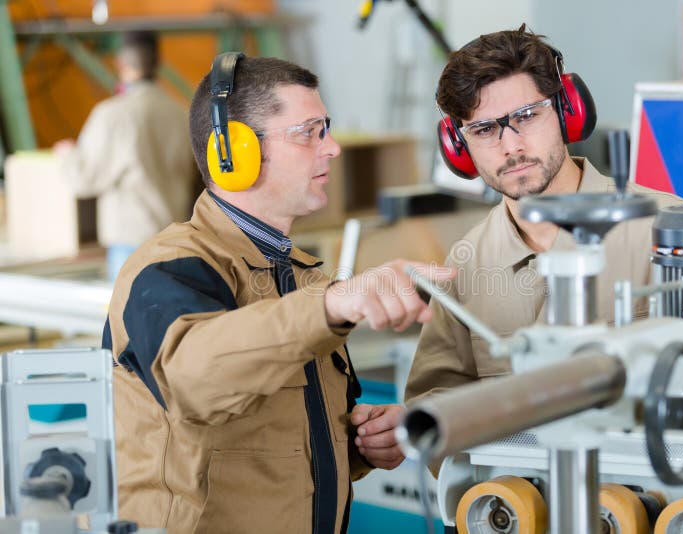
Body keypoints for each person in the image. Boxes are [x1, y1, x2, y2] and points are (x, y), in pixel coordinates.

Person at [102, 52, 454, 534]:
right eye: (310, 132)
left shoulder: (300, 273)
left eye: (326, 129)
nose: (332, 149)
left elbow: (270, 441)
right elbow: (193, 380)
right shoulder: (168, 268)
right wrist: (332, 304)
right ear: (233, 152)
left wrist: (361, 440)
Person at [404, 26, 683, 411]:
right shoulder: (465, 263)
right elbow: (437, 404)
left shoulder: (669, 230)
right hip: (517, 474)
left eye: (527, 115)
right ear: (459, 148)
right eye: (485, 130)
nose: (511, 145)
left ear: (567, 110)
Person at [54, 31, 196, 281]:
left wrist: (67, 155)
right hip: (175, 241)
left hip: (131, 246)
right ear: (158, 63)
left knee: (125, 318)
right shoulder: (181, 113)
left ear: (121, 65)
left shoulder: (112, 115)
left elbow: (85, 180)